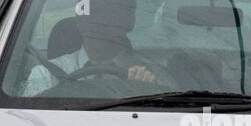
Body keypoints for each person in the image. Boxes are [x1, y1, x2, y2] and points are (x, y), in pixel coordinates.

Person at [20, 11, 173, 96]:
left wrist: (149, 91)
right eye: (92, 18)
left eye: (109, 17)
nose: (98, 26)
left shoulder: (151, 74)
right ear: (79, 23)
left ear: (127, 23)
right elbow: (29, 121)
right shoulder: (46, 74)